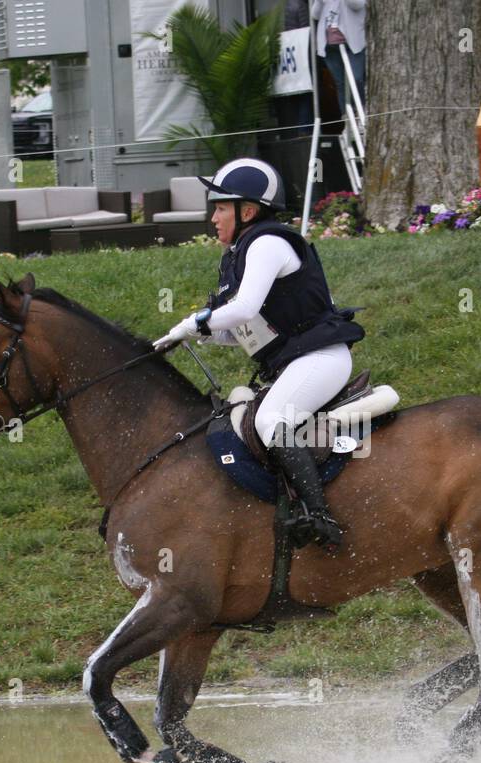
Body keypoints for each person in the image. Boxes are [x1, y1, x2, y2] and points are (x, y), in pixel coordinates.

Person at [154, 159, 366, 553]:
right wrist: (199, 337)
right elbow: (248, 331)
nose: (213, 217)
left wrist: (192, 324)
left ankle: (319, 516)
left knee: (271, 419)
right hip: (300, 359)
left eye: (220, 207)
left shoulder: (267, 243)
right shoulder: (239, 253)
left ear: (247, 211)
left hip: (322, 358)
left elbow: (245, 308)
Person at [311, 0, 367, 123]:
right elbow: (315, 14)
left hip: (353, 41)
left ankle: (362, 111)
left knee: (356, 78)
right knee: (340, 83)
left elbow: (358, 4)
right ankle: (347, 117)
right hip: (330, 45)